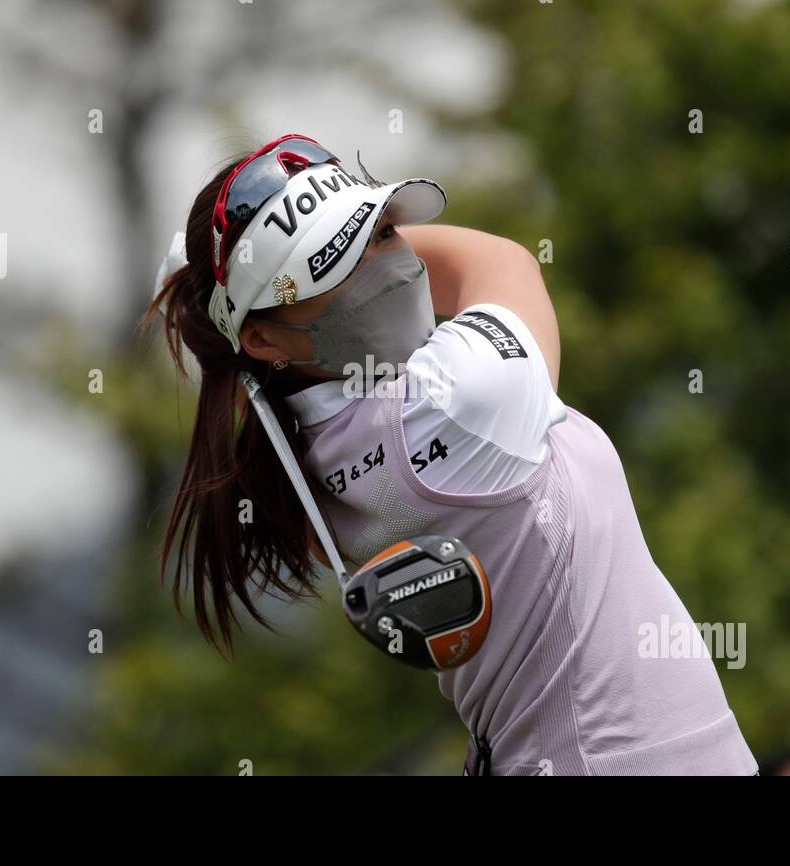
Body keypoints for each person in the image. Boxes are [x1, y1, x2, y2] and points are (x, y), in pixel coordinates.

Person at [145, 133, 758, 775]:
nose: (391, 267)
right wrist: (348, 222)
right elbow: (503, 261)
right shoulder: (458, 397)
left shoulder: (300, 453)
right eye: (335, 260)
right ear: (266, 340)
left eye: (383, 233)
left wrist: (223, 296)